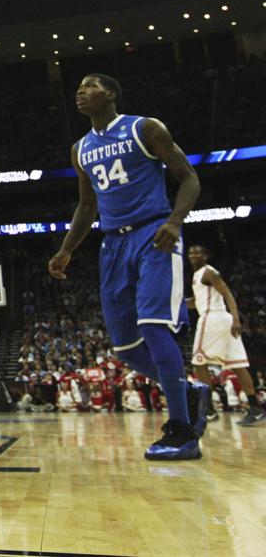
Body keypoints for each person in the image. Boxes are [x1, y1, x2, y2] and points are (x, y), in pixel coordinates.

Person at [48, 73, 208, 461]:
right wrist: (67, 249)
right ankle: (185, 391)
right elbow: (87, 207)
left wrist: (174, 221)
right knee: (127, 349)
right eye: (79, 86)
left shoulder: (144, 128)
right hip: (112, 244)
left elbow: (189, 179)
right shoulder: (80, 148)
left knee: (153, 326)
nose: (80, 90)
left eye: (90, 85)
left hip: (154, 233)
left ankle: (183, 429)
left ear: (112, 94)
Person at [188, 245, 263, 426]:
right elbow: (195, 302)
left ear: (206, 255)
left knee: (198, 362)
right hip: (222, 319)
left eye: (198, 252)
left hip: (213, 317)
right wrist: (175, 302)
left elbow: (228, 294)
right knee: (238, 364)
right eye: (191, 253)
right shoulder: (199, 276)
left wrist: (238, 320)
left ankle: (208, 409)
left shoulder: (209, 273)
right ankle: (256, 408)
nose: (193, 255)